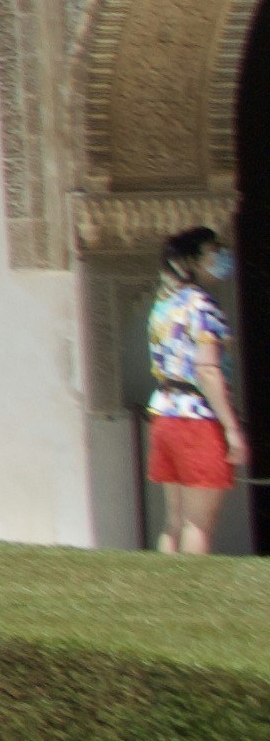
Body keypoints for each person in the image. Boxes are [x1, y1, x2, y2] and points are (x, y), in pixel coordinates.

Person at [147, 227, 242, 558]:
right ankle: (191, 594)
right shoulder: (203, 307)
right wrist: (232, 428)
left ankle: (167, 594)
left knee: (173, 520)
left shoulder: (164, 305)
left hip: (164, 415)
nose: (220, 257)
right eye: (213, 251)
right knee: (198, 523)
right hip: (196, 419)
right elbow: (207, 369)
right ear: (193, 260)